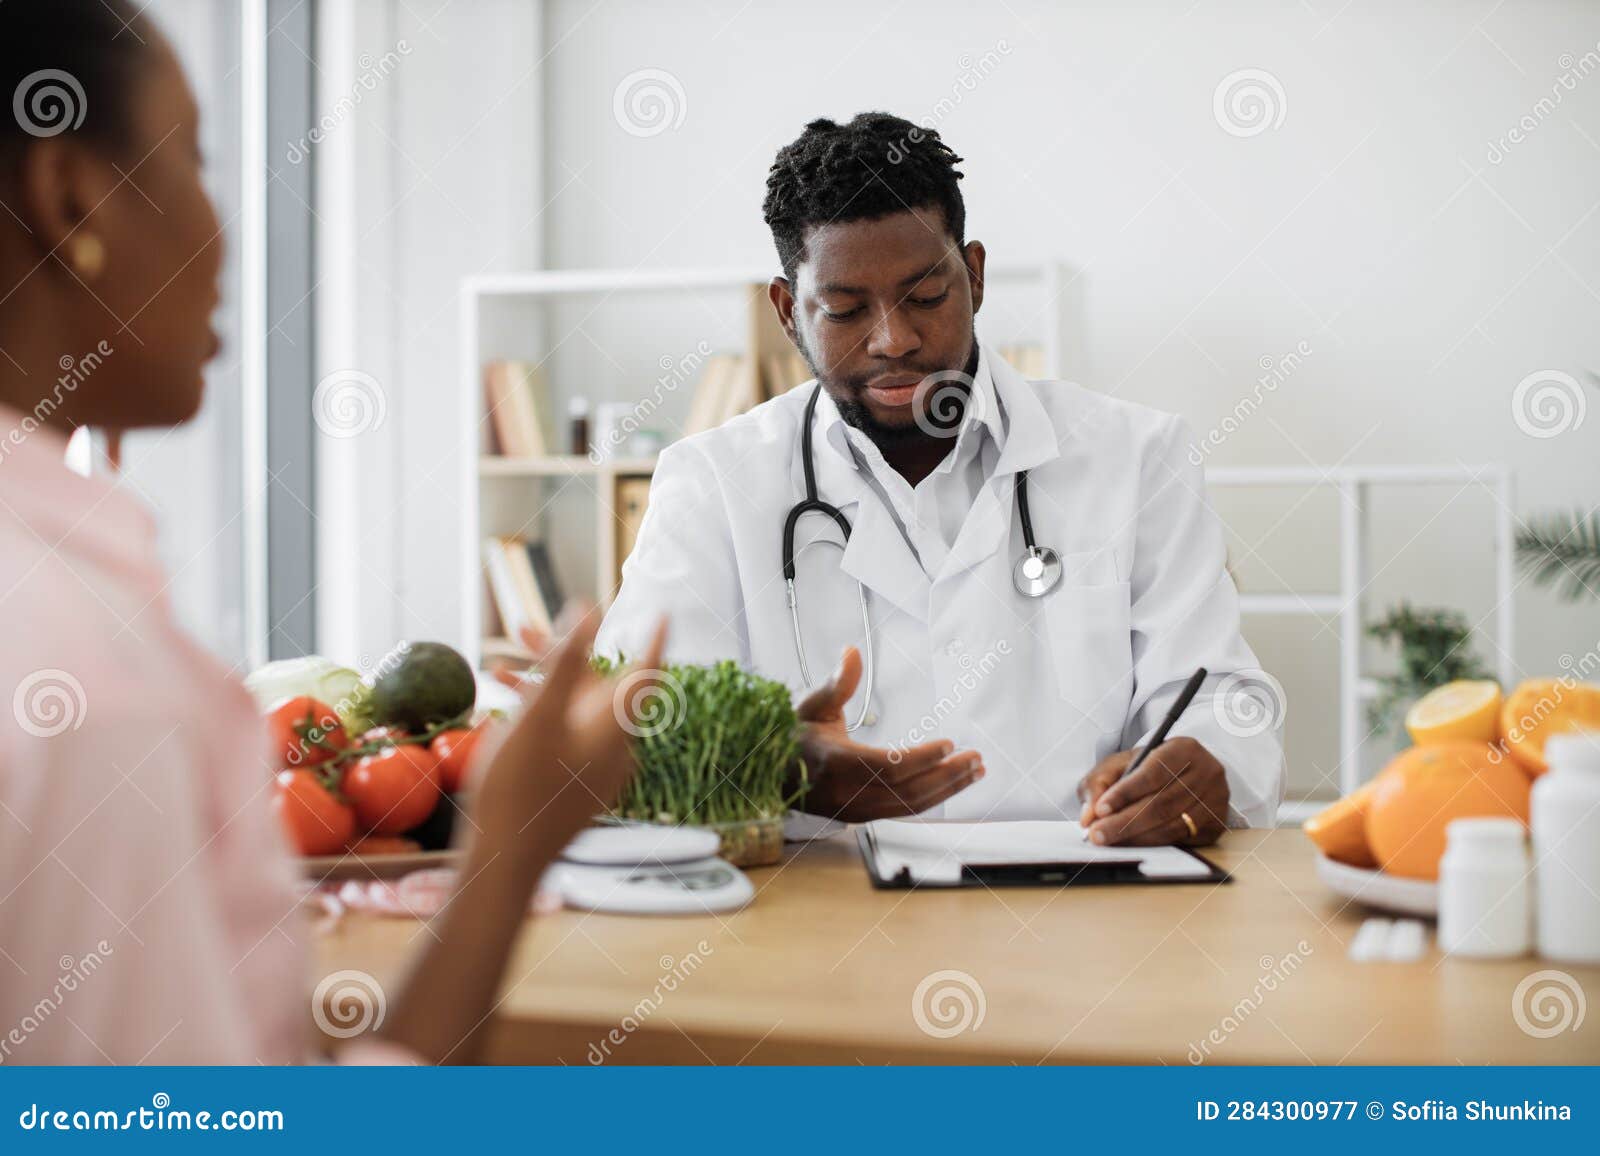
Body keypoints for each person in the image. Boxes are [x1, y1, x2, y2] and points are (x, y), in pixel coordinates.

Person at [0, 0, 664, 1064]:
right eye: (194, 165)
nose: (221, 231)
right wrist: (510, 848)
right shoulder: (85, 688)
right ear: (69, 195)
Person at [597, 112, 1284, 844]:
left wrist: (1208, 764)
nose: (894, 339)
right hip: (820, 926)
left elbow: (1221, 696)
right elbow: (633, 726)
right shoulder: (712, 484)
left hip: (1083, 906)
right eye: (844, 309)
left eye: (926, 296)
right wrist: (778, 766)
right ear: (787, 312)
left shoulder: (1136, 456)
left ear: (976, 275)